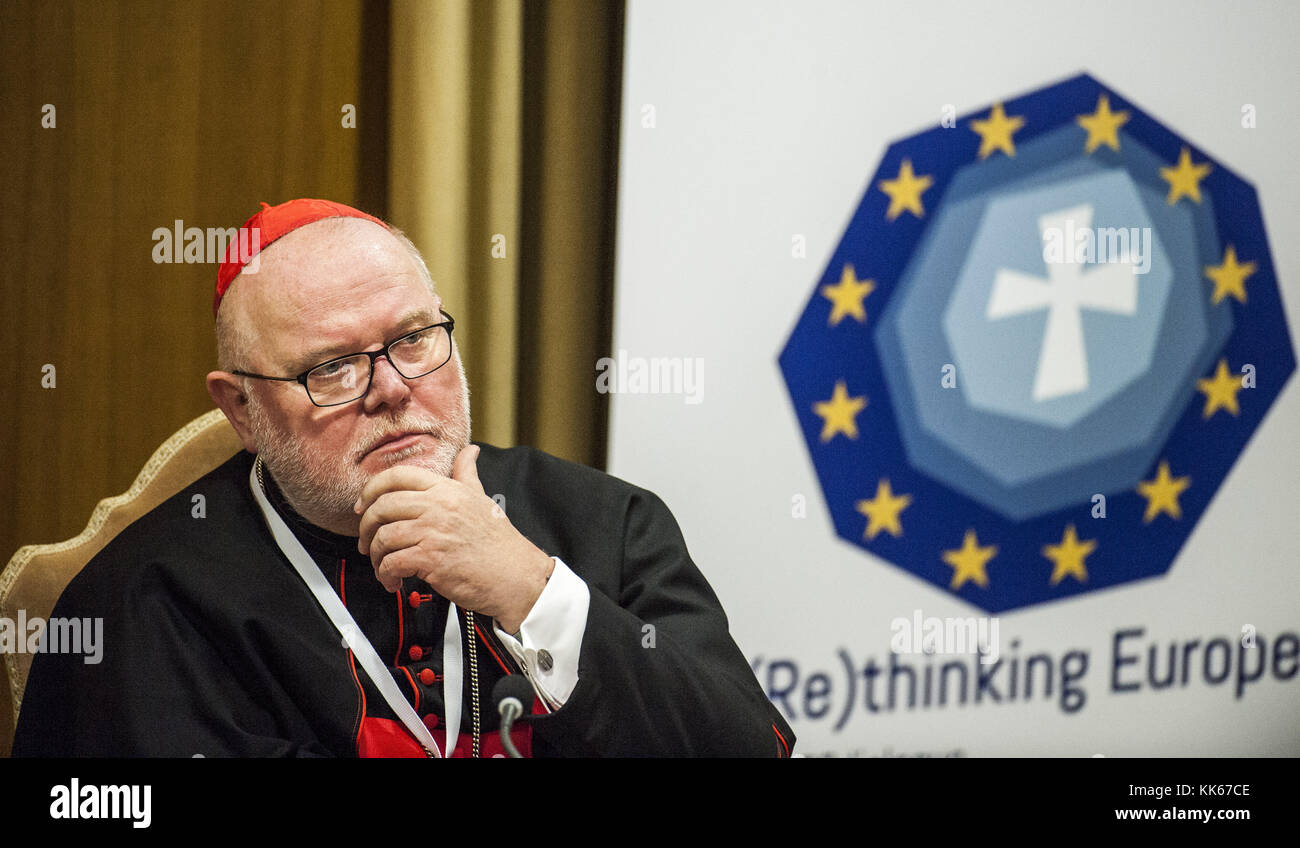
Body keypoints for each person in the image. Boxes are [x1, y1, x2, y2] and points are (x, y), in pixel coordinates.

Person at [13, 199, 795, 758]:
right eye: (333, 367)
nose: (391, 387)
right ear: (244, 410)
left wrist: (531, 589)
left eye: (414, 339)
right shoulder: (147, 603)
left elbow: (751, 746)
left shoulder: (606, 524)